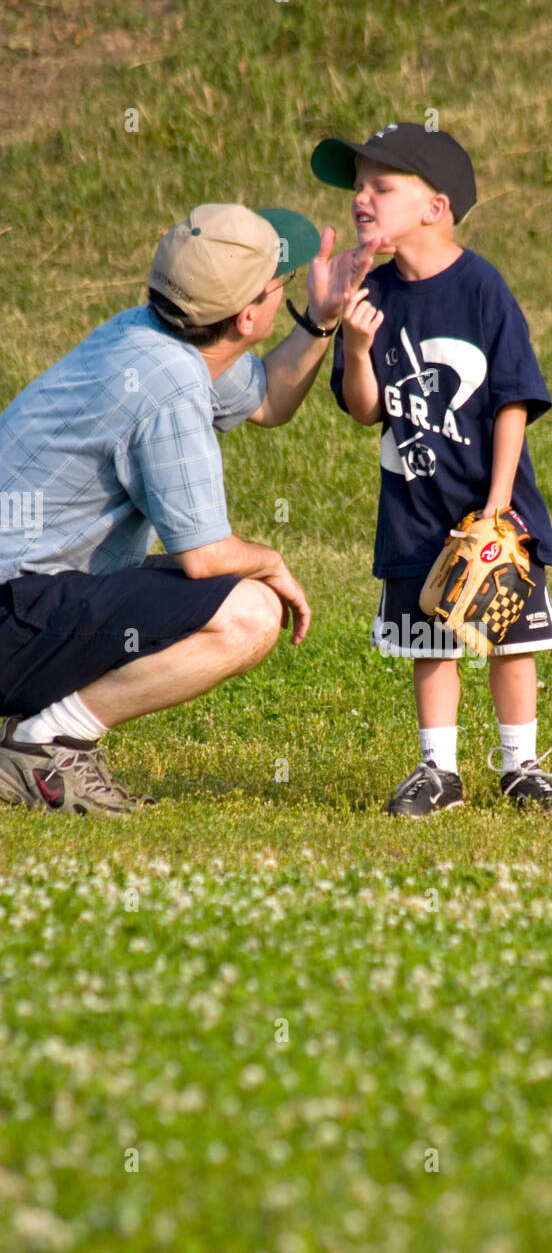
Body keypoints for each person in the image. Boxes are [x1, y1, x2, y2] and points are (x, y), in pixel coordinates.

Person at [0, 202, 389, 814]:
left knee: (236, 594)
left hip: (22, 600)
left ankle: (39, 731)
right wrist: (271, 562)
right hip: (12, 613)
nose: (284, 283)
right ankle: (46, 743)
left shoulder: (149, 331)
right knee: (249, 615)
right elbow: (205, 557)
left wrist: (320, 317)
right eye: (278, 285)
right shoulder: (172, 381)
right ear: (248, 315)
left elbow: (268, 401)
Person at [312, 122, 552, 817]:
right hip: (416, 509)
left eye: (381, 186)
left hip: (493, 509)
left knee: (510, 639)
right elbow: (365, 411)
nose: (362, 198)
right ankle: (439, 771)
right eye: (357, 187)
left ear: (436, 207)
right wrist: (359, 348)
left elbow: (514, 399)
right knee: (433, 640)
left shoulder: (482, 286)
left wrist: (495, 507)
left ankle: (521, 766)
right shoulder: (375, 295)